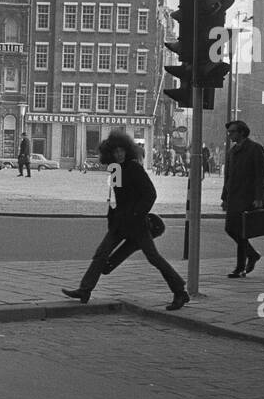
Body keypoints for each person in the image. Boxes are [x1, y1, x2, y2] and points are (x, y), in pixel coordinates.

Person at [62, 130, 189, 311]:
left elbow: (150, 194)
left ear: (127, 150)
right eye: (115, 151)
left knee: (153, 258)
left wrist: (137, 214)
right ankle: (85, 290)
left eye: (121, 150)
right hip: (119, 223)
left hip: (137, 224)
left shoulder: (134, 168)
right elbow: (117, 196)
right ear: (110, 153)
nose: (119, 154)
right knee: (101, 254)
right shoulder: (115, 170)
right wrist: (113, 216)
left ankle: (179, 291)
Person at [222, 119, 264, 278]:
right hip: (234, 196)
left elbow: (260, 175)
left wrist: (259, 197)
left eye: (232, 132)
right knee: (230, 228)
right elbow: (227, 176)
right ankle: (252, 255)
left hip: (247, 197)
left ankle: (240, 267)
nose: (230, 135)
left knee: (242, 232)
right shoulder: (232, 151)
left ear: (242, 132)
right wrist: (224, 197)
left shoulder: (255, 149)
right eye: (229, 132)